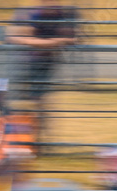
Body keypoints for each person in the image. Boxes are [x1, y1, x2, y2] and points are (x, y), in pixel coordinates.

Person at [6, 0, 78, 154]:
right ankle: (24, 142)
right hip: (22, 63)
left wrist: (56, 42)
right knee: (23, 105)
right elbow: (18, 37)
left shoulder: (61, 14)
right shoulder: (31, 13)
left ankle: (39, 142)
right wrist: (54, 42)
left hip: (45, 64)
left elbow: (72, 38)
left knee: (40, 104)